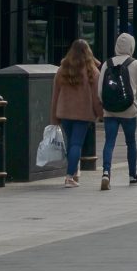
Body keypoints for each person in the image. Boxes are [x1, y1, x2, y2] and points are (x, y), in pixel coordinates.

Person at [49, 39, 103, 188]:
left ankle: (73, 171)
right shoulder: (92, 71)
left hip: (65, 113)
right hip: (83, 114)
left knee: (71, 144)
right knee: (76, 144)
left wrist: (54, 117)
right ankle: (69, 176)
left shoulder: (62, 70)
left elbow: (55, 95)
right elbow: (96, 97)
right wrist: (100, 114)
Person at [97, 32, 137, 188]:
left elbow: (100, 90)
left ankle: (106, 172)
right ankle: (132, 175)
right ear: (132, 46)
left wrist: (107, 103)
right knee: (130, 142)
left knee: (109, 141)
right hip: (129, 110)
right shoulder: (136, 63)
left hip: (110, 110)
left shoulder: (107, 64)